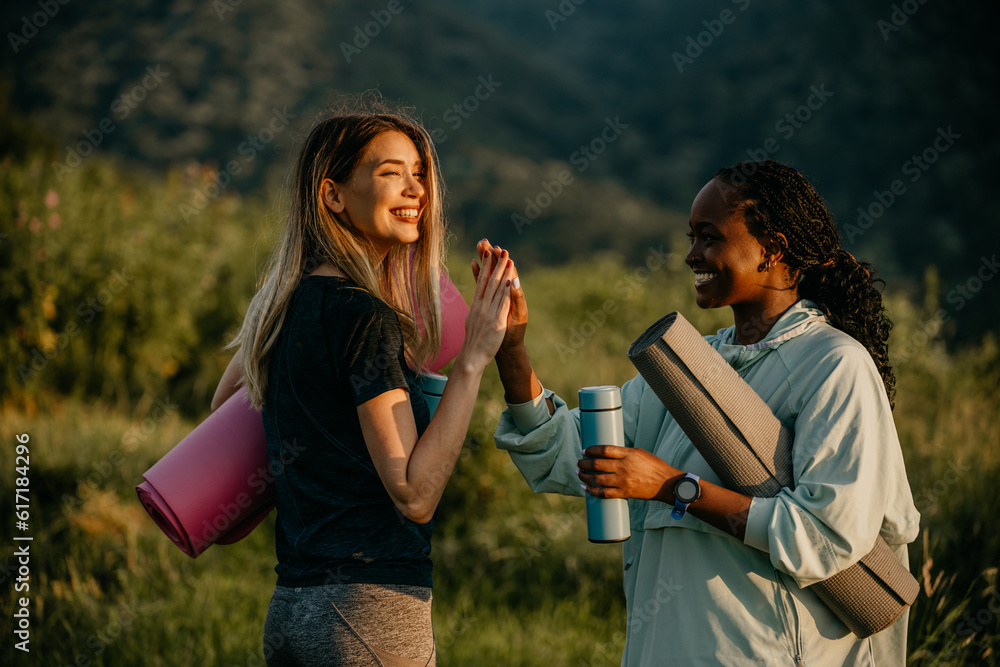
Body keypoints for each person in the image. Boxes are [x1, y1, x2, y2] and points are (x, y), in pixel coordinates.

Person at [485, 160, 920, 665]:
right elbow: (571, 455)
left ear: (772, 249)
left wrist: (673, 488)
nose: (692, 255)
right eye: (690, 237)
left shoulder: (834, 365)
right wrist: (510, 348)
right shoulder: (691, 368)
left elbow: (827, 537)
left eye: (708, 237)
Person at [211, 100, 514, 666]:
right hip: (370, 612)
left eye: (418, 173)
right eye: (389, 172)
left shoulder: (286, 305)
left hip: (291, 611)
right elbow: (414, 494)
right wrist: (473, 357)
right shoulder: (364, 316)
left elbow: (224, 405)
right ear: (332, 195)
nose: (415, 190)